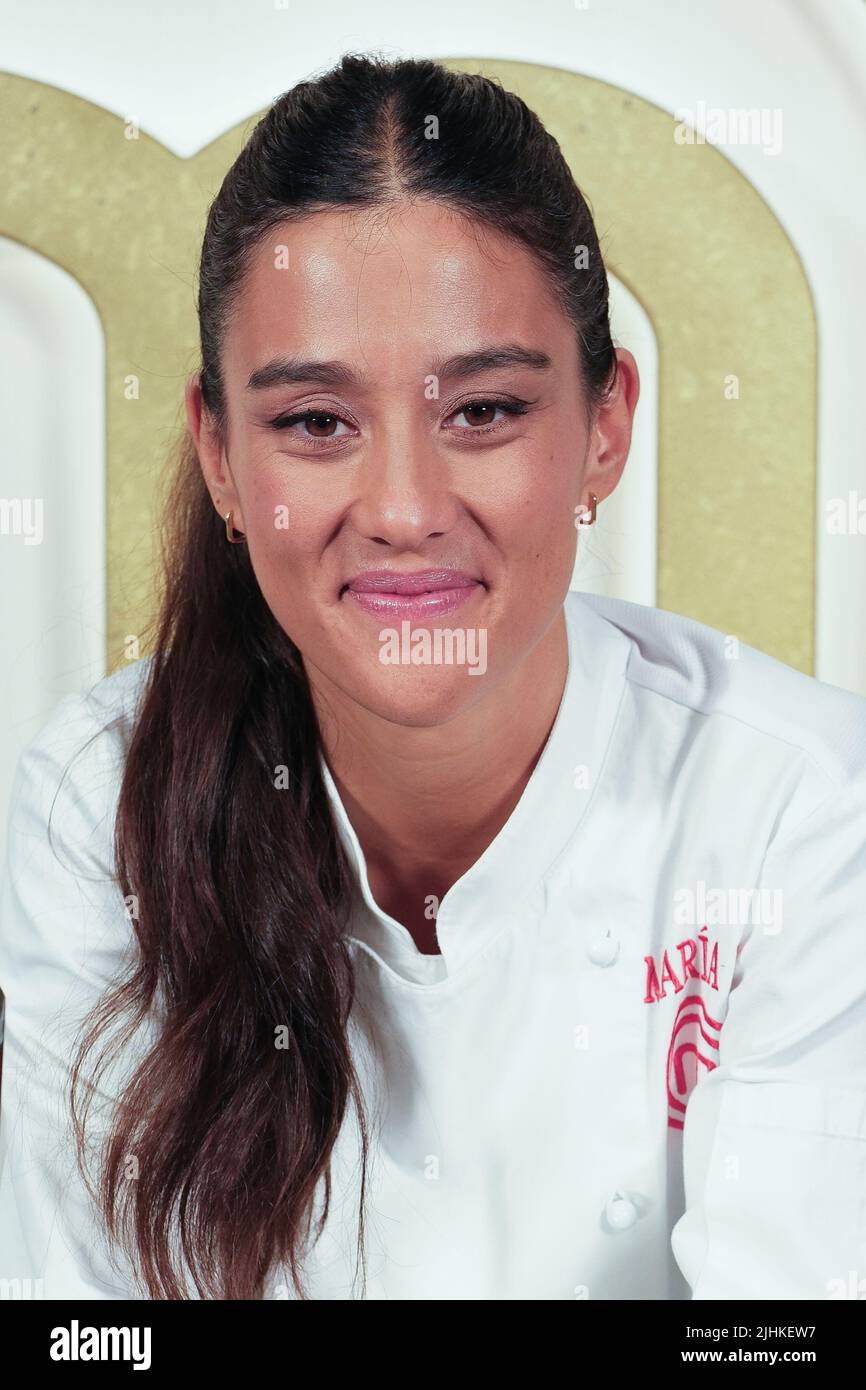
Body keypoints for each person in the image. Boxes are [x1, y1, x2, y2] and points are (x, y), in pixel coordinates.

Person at [1, 51, 865, 1302]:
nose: (403, 509)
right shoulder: (103, 805)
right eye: (314, 423)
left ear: (603, 424)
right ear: (222, 457)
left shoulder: (800, 815)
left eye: (482, 411)